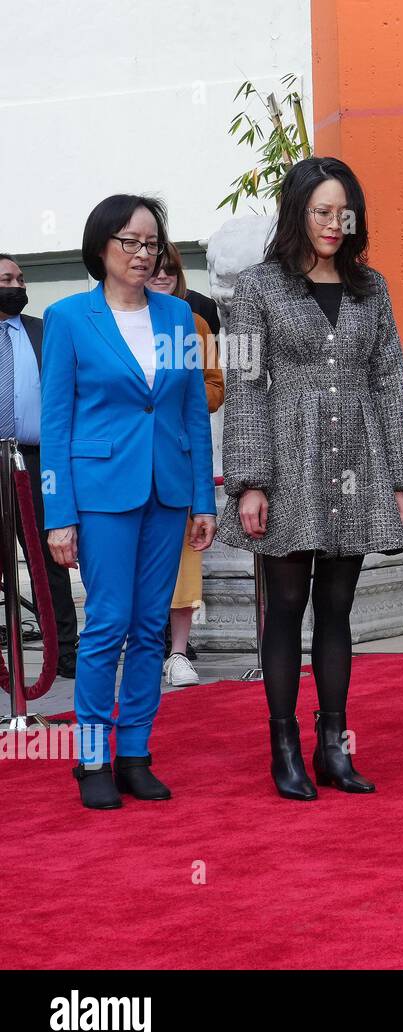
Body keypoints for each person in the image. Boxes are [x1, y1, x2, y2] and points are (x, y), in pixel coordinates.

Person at [219, 156, 403, 801]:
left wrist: (401, 475)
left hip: (356, 463)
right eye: (322, 211)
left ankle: (332, 743)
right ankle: (283, 744)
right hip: (287, 462)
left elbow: (390, 379)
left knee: (338, 608)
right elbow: (246, 384)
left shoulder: (371, 287)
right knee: (285, 607)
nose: (334, 224)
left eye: (344, 212)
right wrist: (250, 480)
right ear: (297, 213)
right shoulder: (256, 287)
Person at [41, 195, 217, 810]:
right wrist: (58, 514)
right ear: (101, 248)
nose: (144, 255)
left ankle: (135, 752)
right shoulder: (67, 318)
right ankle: (91, 757)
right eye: (131, 243)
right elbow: (56, 423)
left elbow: (193, 410)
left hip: (168, 492)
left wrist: (203, 498)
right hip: (100, 495)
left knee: (150, 626)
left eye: (152, 244)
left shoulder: (178, 317)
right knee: (109, 623)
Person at [148, 242, 225, 686]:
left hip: (180, 450)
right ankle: (146, 644)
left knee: (184, 561)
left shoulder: (192, 325)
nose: (160, 277)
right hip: (129, 459)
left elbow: (216, 386)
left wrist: (190, 397)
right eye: (154, 271)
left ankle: (177, 651)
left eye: (168, 272)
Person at [0, 253, 80, 678]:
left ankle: (65, 652)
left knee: (48, 561)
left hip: (34, 459)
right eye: (6, 279)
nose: (17, 287)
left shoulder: (44, 332)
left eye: (20, 278)